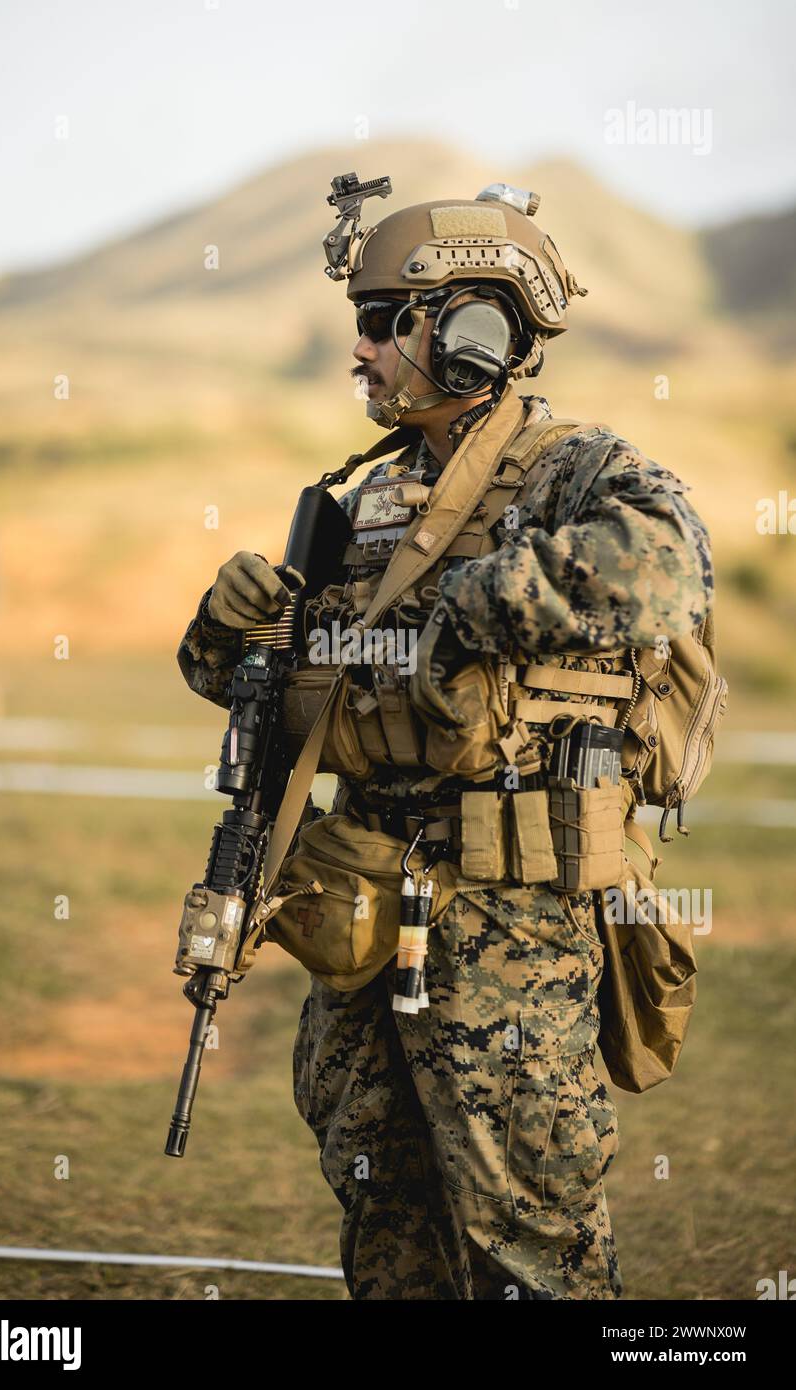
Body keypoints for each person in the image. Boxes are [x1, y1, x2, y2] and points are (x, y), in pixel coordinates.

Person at [177, 177, 714, 1299]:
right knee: (386, 1218)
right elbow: (277, 699)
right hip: (362, 910)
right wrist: (224, 639)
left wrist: (468, 606)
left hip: (507, 928)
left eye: (379, 323)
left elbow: (667, 567)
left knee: (529, 1237)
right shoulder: (359, 502)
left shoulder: (574, 470)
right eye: (361, 326)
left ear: (470, 331)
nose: (359, 353)